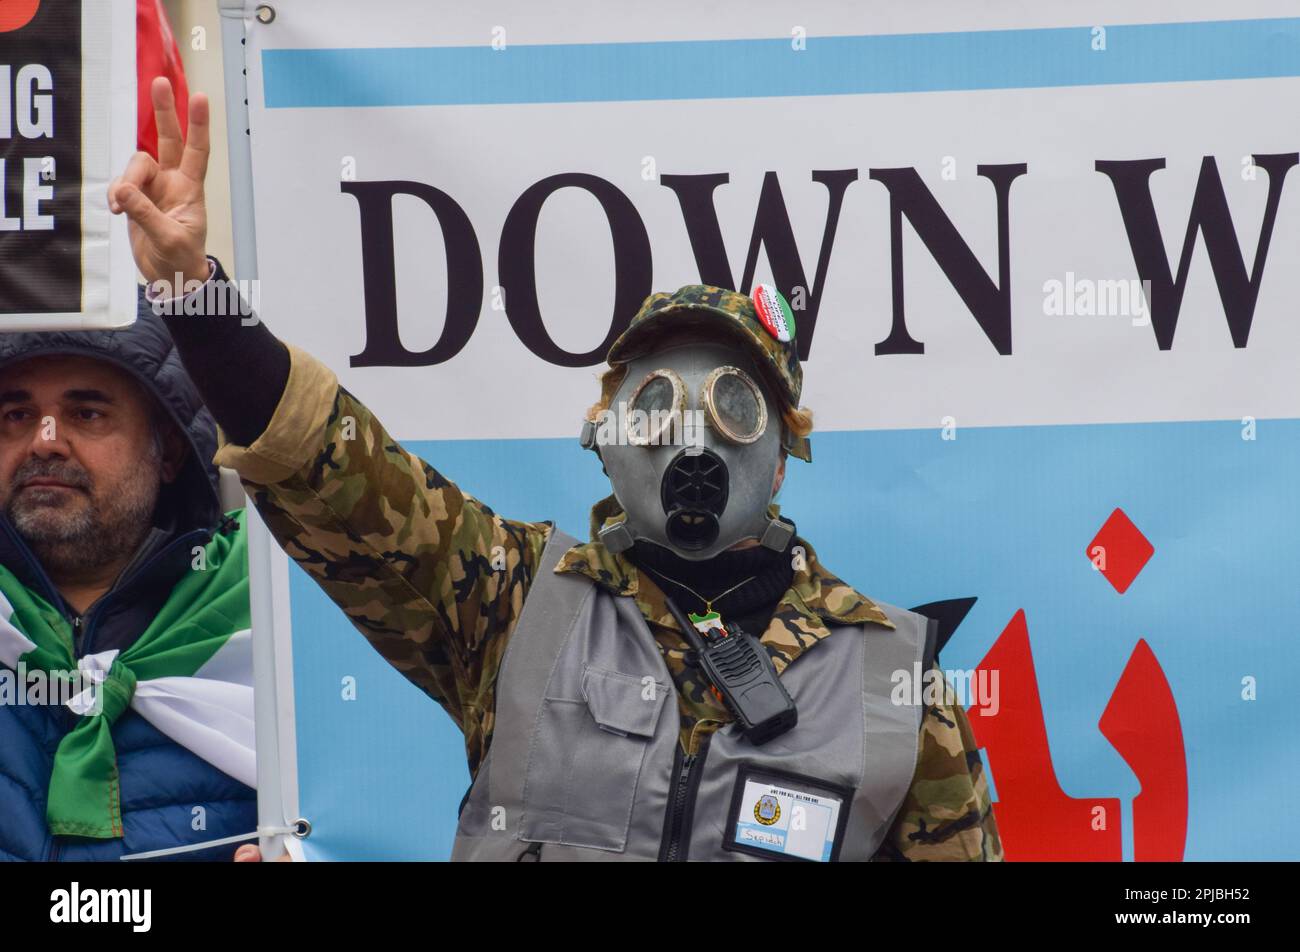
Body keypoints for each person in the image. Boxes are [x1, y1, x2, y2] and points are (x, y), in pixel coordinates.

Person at [115, 77, 1001, 862]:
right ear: (604, 437)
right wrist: (199, 299)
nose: (692, 441)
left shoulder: (892, 682)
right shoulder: (511, 601)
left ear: (782, 459)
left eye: (735, 408)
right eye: (655, 407)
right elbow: (334, 469)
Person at [0, 287, 257, 861]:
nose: (45, 442)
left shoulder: (279, 616)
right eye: (17, 414)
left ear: (168, 450)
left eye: (86, 414)